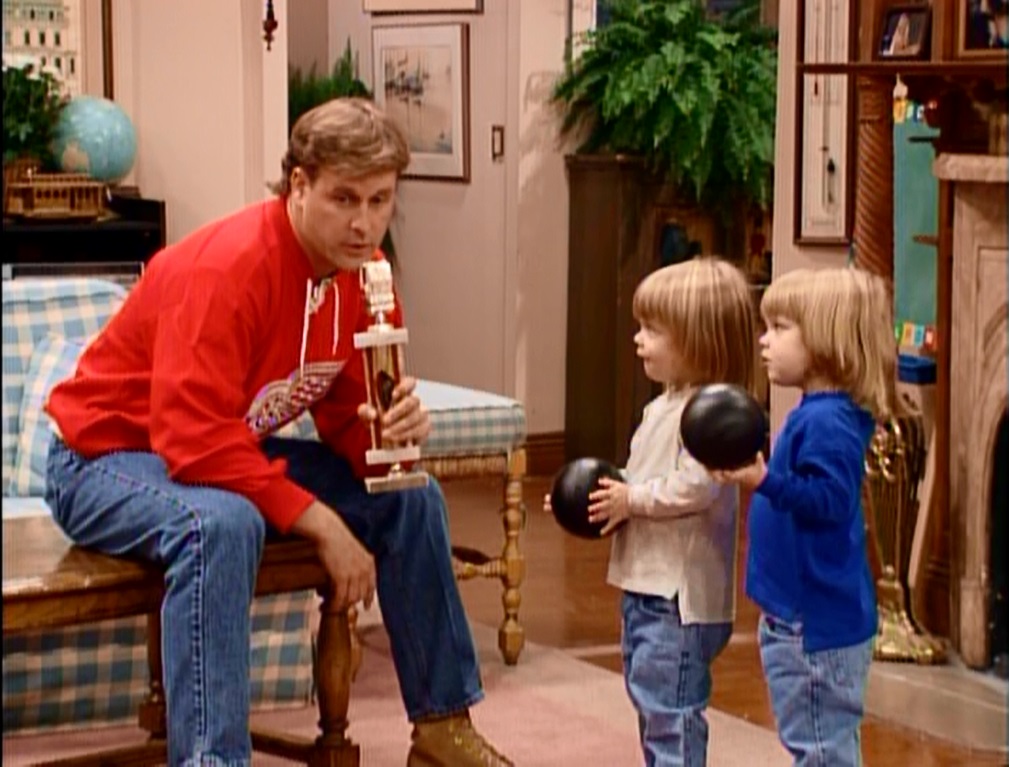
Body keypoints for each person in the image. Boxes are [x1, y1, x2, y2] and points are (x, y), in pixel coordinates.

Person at [43, 97, 513, 767]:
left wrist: (392, 434)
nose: (363, 223)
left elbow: (347, 424)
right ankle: (212, 759)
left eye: (379, 201)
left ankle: (442, 727)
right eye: (343, 198)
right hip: (101, 457)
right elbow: (190, 437)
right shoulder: (227, 268)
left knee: (410, 496)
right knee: (221, 523)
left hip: (218, 446)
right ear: (298, 185)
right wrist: (321, 523)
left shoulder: (364, 277)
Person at [546, 257, 758, 766]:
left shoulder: (707, 418)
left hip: (677, 601)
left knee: (671, 712)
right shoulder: (661, 407)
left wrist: (632, 499)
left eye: (653, 330)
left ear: (698, 340)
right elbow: (644, 477)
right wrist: (593, 498)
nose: (638, 339)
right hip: (648, 591)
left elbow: (697, 488)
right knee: (650, 700)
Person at [712, 267, 896, 767]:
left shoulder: (827, 421)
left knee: (820, 748)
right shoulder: (820, 413)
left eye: (780, 328)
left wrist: (764, 481)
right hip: (802, 620)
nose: (764, 339)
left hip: (812, 628)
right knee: (820, 742)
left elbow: (830, 500)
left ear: (825, 340)